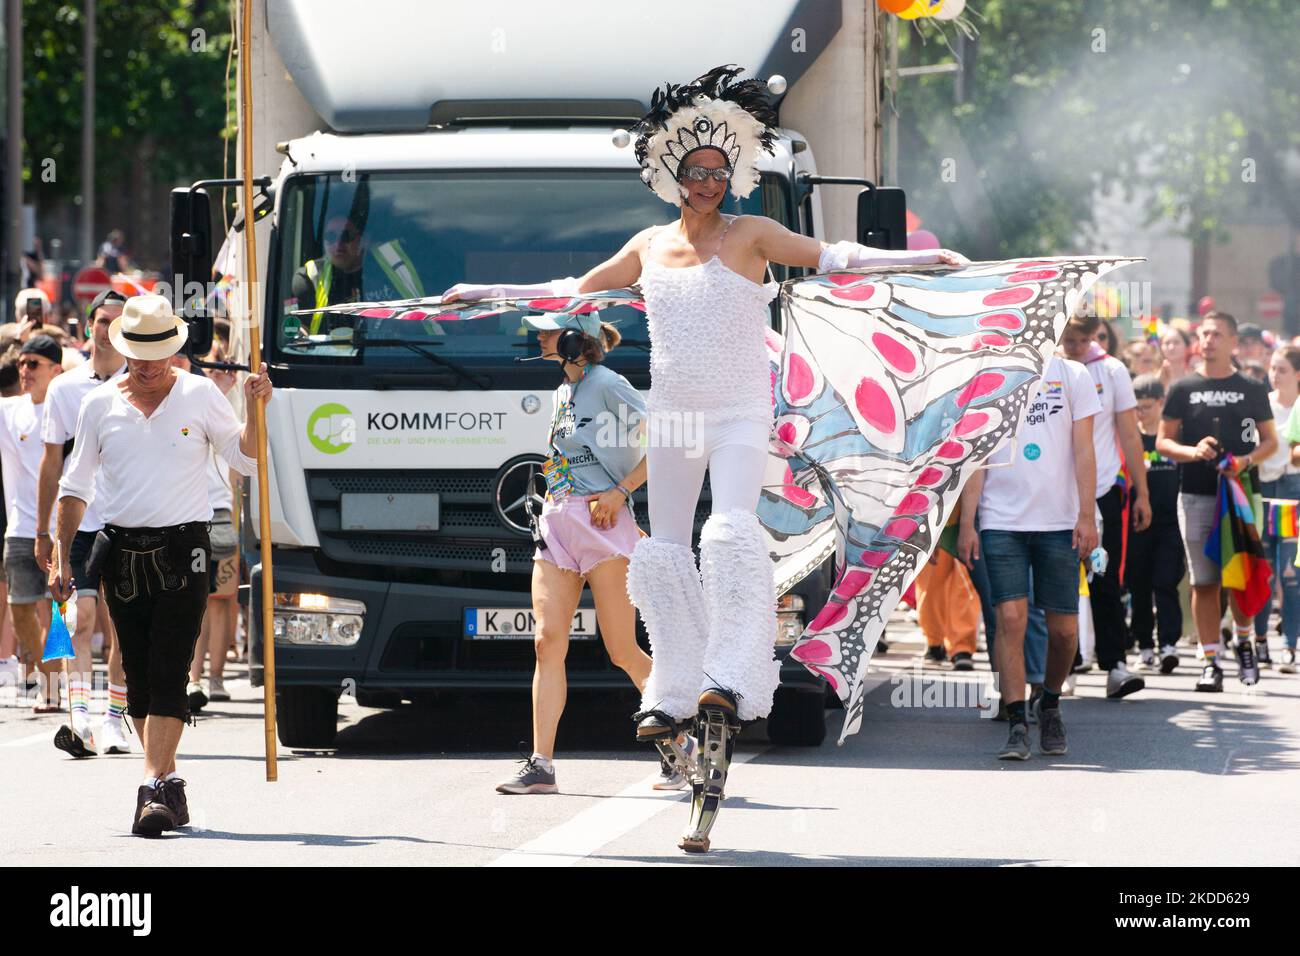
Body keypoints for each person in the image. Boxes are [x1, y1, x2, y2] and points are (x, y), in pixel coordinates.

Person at [444, 64, 966, 851]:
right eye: (697, 175)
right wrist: (481, 291)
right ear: (674, 176)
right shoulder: (649, 244)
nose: (710, 186)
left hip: (738, 414)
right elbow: (570, 294)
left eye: (721, 175)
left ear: (733, 176)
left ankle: (737, 671)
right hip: (677, 417)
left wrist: (923, 262)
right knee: (660, 551)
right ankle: (675, 679)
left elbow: (834, 259)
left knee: (726, 532)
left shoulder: (751, 235)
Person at [49, 294, 271, 837]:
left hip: (185, 548)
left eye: (158, 353)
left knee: (171, 667)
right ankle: (169, 783)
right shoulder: (98, 404)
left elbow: (246, 458)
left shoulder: (198, 395)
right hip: (120, 549)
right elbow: (75, 486)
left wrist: (255, 410)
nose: (148, 365)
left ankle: (150, 788)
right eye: (138, 353)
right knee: (140, 678)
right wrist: (59, 554)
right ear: (123, 348)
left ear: (173, 350)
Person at [494, 311, 660, 795]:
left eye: (548, 330)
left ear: (573, 338)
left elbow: (666, 439)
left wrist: (621, 492)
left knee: (622, 651)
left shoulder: (609, 383)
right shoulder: (561, 392)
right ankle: (541, 763)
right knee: (547, 642)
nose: (539, 336)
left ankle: (683, 738)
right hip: (558, 523)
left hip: (605, 527)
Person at [958, 354, 1101, 760]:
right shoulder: (990, 374)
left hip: (1059, 523)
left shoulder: (1073, 375)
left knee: (1064, 632)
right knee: (1011, 619)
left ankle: (1050, 702)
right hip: (1002, 520)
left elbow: (1084, 451)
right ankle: (1017, 721)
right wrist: (969, 521)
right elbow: (978, 457)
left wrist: (1087, 516)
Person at [1156, 311, 1277, 691]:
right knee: (1204, 581)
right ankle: (1210, 661)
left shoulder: (1252, 388)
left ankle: (1243, 640)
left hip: (1241, 494)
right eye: (1204, 334)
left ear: (1233, 342)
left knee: (1238, 576)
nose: (1208, 340)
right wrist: (1193, 452)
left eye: (1217, 334)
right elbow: (1162, 442)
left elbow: (1272, 441)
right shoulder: (1182, 387)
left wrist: (1244, 460)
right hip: (1194, 493)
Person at [36, 291, 131, 756]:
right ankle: (78, 718)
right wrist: (42, 531)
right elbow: (51, 463)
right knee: (81, 618)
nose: (108, 329)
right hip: (78, 524)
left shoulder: (144, 382)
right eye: (101, 320)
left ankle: (114, 719)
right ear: (88, 326)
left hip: (129, 522)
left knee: (122, 628)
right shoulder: (65, 388)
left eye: (118, 322)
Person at [1059, 314, 1149, 699]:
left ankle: (1115, 665)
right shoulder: (1051, 368)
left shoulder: (1112, 371)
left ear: (1096, 336)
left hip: (1104, 491)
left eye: (1083, 340)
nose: (1077, 347)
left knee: (1105, 577)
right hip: (1059, 494)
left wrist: (1141, 490)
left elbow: (1129, 432)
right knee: (1061, 580)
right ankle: (1065, 666)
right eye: (1070, 340)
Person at [0, 335, 65, 712]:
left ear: (55, 370)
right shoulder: (10, 411)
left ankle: (53, 688)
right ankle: (46, 673)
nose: (24, 371)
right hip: (21, 527)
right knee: (21, 607)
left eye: (33, 364)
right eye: (21, 364)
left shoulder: (69, 411)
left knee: (58, 610)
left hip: (63, 529)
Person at [1125, 375, 1184, 673]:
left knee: (1165, 582)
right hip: (1136, 524)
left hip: (1171, 522)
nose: (1140, 413)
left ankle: (1169, 644)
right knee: (1139, 585)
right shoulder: (1128, 437)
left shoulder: (1174, 438)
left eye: (1147, 406)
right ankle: (1145, 645)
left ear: (1161, 403)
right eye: (1136, 407)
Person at [291, 214, 427, 336]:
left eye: (346, 236)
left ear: (365, 240)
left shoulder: (395, 264)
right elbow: (297, 328)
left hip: (398, 356)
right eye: (330, 237)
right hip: (330, 361)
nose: (338, 244)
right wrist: (298, 334)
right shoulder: (309, 277)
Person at [1254, 346, 1300, 672]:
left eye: (1282, 369)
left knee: (1291, 572)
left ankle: (1290, 645)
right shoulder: (1262, 406)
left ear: (1298, 374)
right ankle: (1259, 642)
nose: (1275, 374)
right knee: (1264, 570)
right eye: (1273, 368)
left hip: (1294, 490)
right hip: (1264, 489)